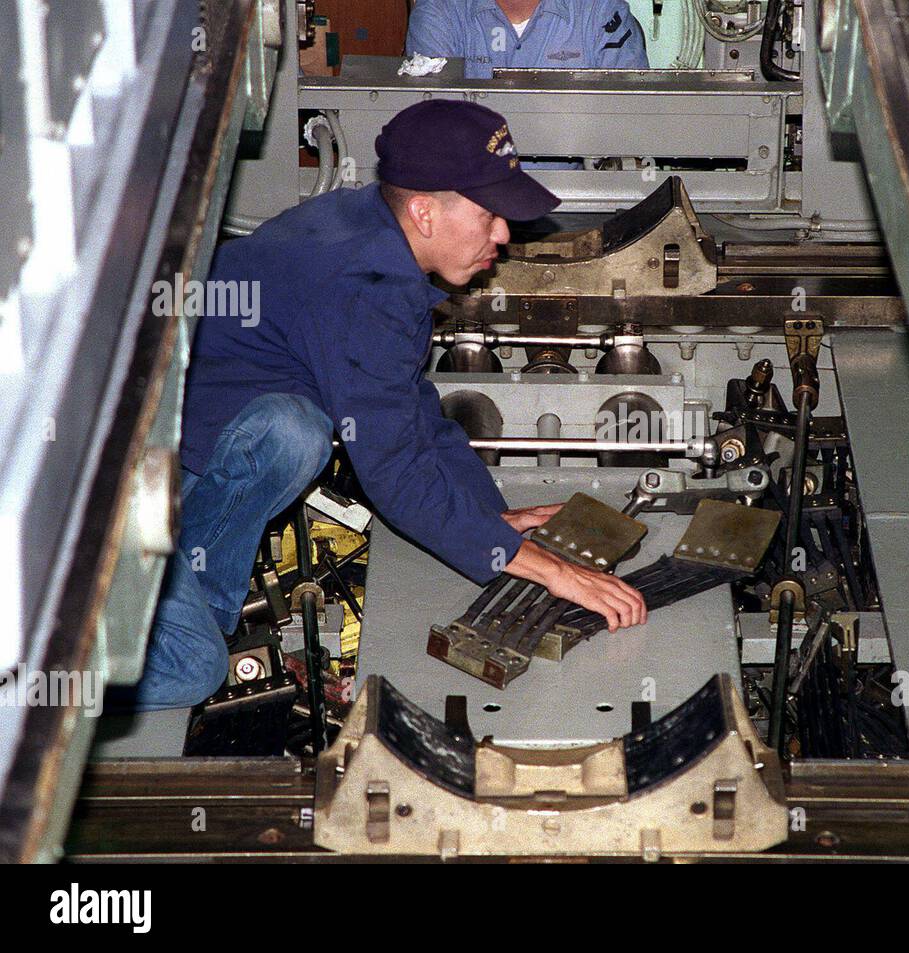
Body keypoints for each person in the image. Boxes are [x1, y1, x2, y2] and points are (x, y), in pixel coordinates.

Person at [132, 99, 647, 710]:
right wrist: (550, 571)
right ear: (425, 213)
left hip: (182, 428)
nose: (504, 235)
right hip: (112, 471)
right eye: (489, 216)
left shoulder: (371, 228)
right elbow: (395, 472)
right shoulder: (363, 287)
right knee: (195, 670)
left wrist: (488, 519)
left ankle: (198, 595)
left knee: (295, 432)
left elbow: (410, 406)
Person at [405, 0, 649, 79]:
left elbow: (634, 125)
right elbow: (433, 136)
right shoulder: (438, 14)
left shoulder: (602, 12)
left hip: (579, 190)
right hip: (470, 192)